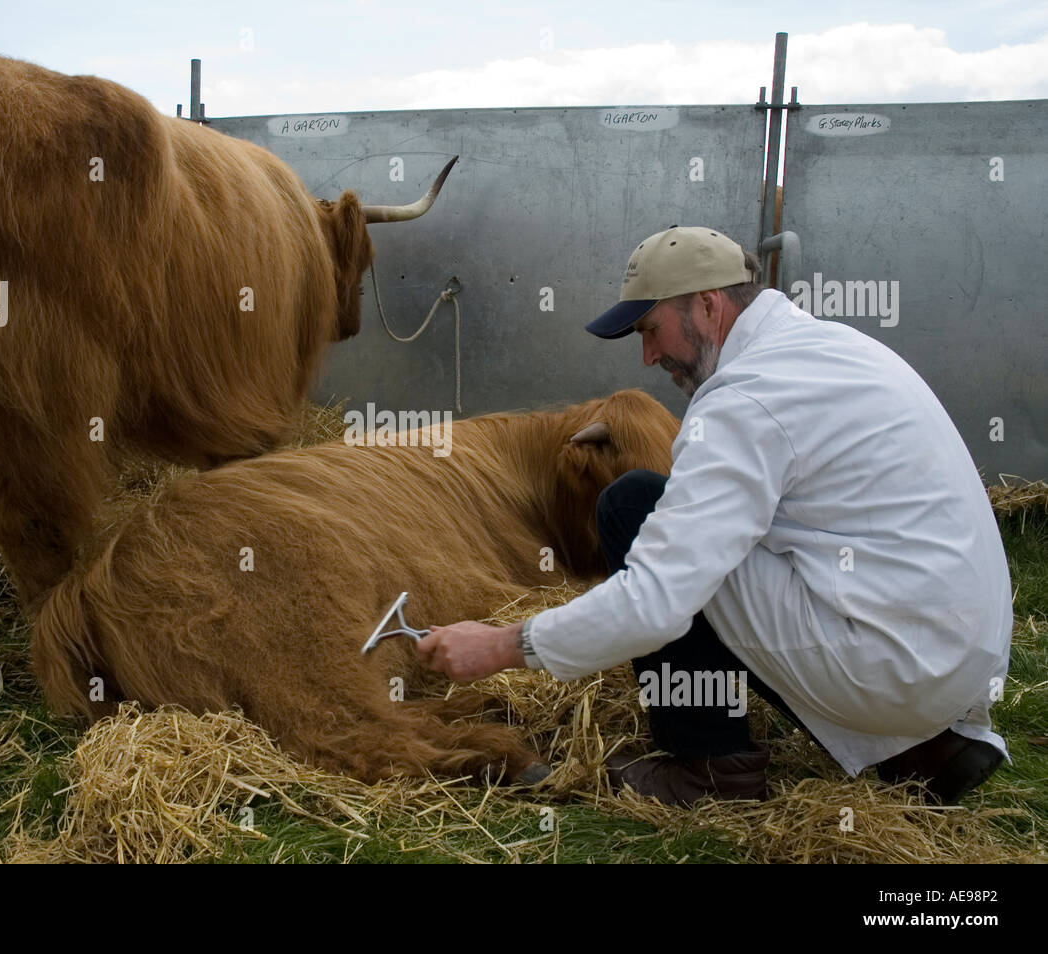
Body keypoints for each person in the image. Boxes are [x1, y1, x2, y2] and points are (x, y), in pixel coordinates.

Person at [415, 225, 1012, 806]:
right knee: (727, 541)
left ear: (707, 305)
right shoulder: (834, 347)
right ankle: (928, 748)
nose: (649, 357)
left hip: (897, 664)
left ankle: (710, 766)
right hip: (964, 663)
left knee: (634, 504)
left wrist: (499, 646)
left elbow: (655, 600)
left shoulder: (745, 399)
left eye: (651, 330)